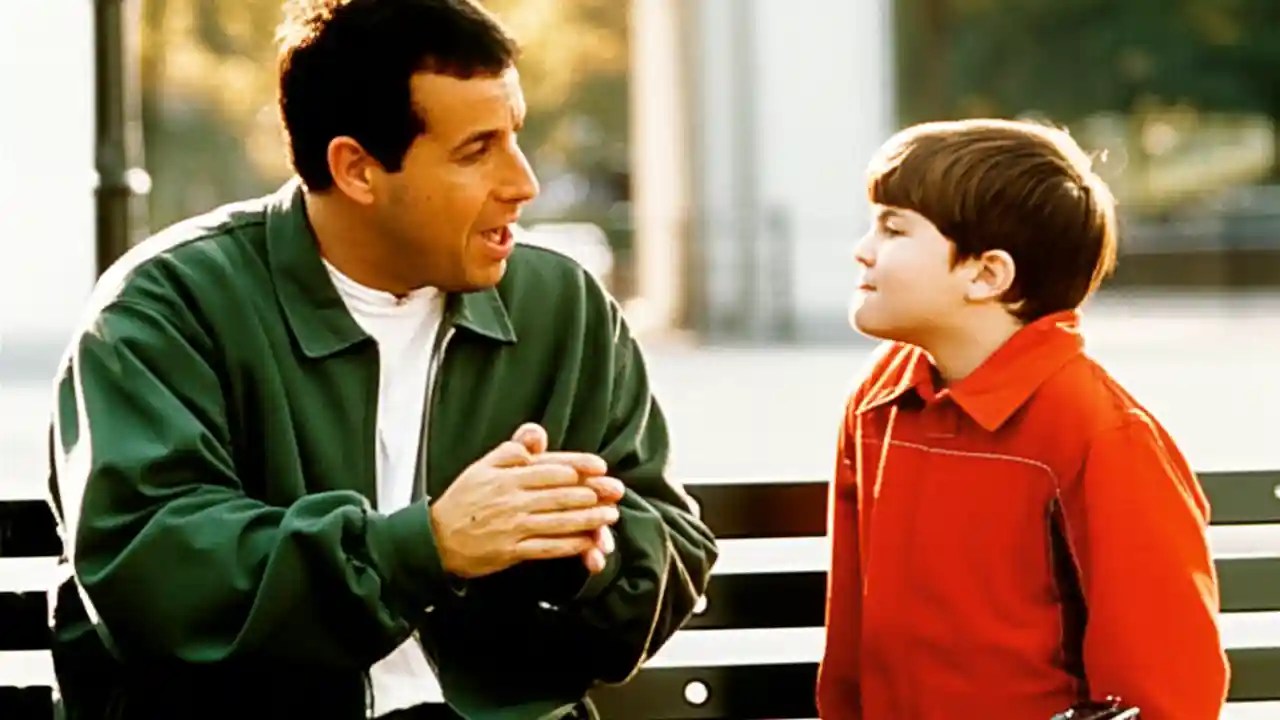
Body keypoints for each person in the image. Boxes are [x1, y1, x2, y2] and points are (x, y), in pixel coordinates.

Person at [45, 1, 717, 718]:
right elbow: (155, 574)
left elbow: (672, 543)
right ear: (357, 169)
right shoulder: (165, 308)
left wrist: (582, 551)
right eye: (475, 150)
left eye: (515, 136)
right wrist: (425, 549)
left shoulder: (563, 307)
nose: (523, 183)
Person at [816, 118, 1229, 719]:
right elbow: (851, 655)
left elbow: (1166, 686)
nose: (864, 248)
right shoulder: (880, 399)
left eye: (893, 228)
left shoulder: (1101, 433)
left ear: (986, 275)